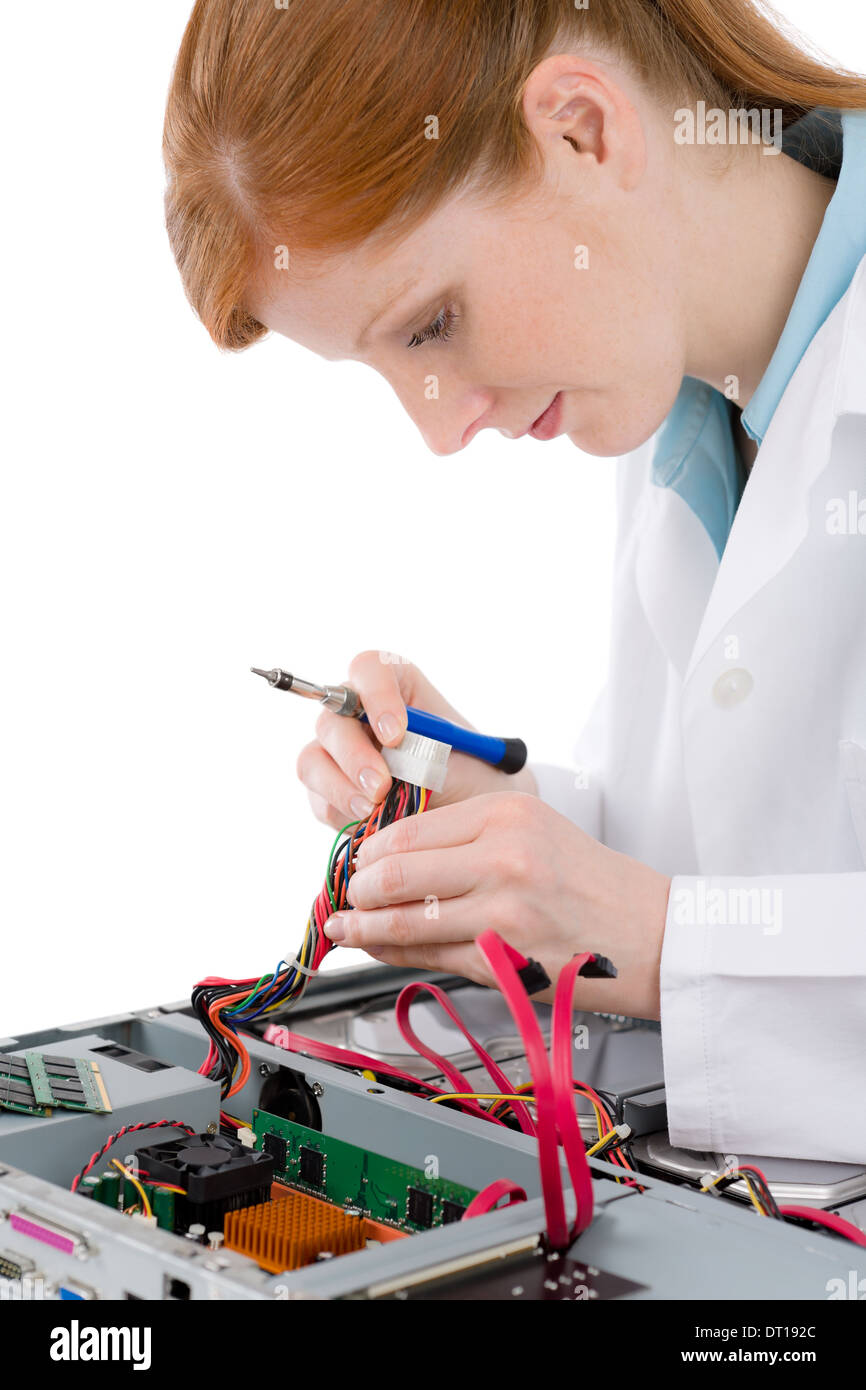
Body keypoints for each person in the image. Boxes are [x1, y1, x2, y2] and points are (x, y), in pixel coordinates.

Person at [163, 1, 866, 1162]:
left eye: (432, 325)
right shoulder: (683, 415)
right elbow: (753, 862)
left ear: (583, 129)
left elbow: (698, 932)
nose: (438, 432)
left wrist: (649, 941)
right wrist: (498, 830)